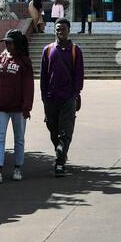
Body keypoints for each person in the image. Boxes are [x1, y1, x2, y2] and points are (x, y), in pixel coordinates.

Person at [0, 29, 34, 183]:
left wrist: (27, 107)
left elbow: (28, 86)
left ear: (17, 44)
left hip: (19, 109)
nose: (6, 44)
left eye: (9, 42)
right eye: (5, 42)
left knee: (19, 138)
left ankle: (18, 168)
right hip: (0, 108)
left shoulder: (24, 62)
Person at [40, 18, 84, 176]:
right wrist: (44, 97)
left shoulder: (75, 50)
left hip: (68, 98)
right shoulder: (47, 50)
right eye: (58, 29)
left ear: (69, 30)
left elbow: (79, 75)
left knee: (65, 131)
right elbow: (44, 76)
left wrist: (75, 94)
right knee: (52, 129)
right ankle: (61, 153)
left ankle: (59, 163)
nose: (60, 32)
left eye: (63, 29)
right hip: (50, 98)